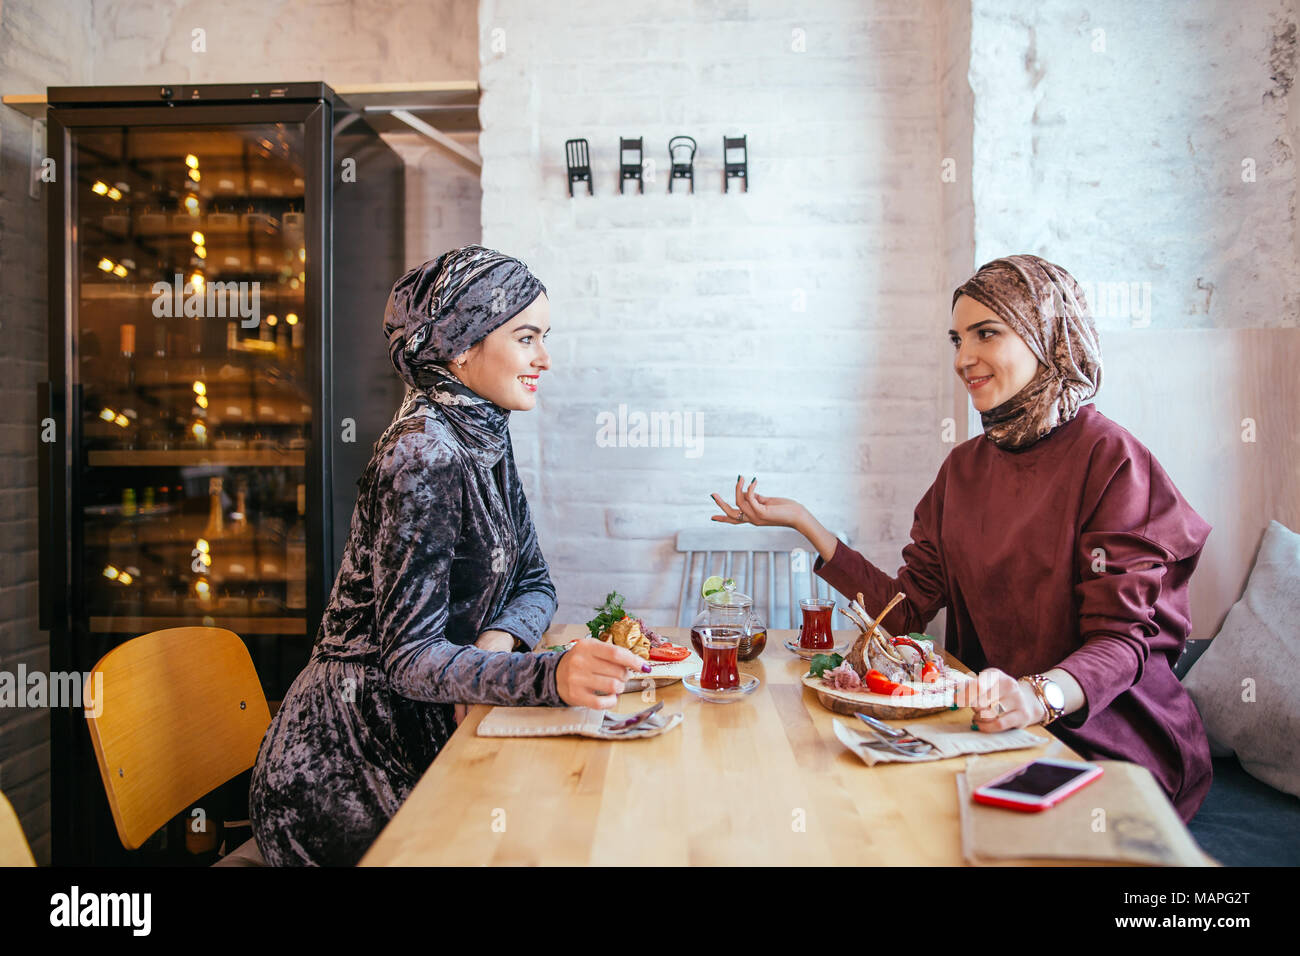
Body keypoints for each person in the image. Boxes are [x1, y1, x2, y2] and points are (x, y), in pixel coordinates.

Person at [711, 254, 1214, 822]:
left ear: (1048, 336)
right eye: (956, 338)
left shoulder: (1112, 460)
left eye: (986, 333)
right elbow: (902, 616)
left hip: (1111, 744)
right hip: (994, 736)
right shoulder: (963, 470)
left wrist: (1038, 696)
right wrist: (806, 523)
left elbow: (1121, 644)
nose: (963, 358)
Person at [250, 245, 647, 866]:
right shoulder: (424, 455)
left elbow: (536, 582)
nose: (546, 358)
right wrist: (549, 674)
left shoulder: (483, 431)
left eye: (544, 337)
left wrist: (494, 645)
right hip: (350, 764)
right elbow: (410, 659)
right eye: (526, 337)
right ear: (462, 348)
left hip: (436, 732)